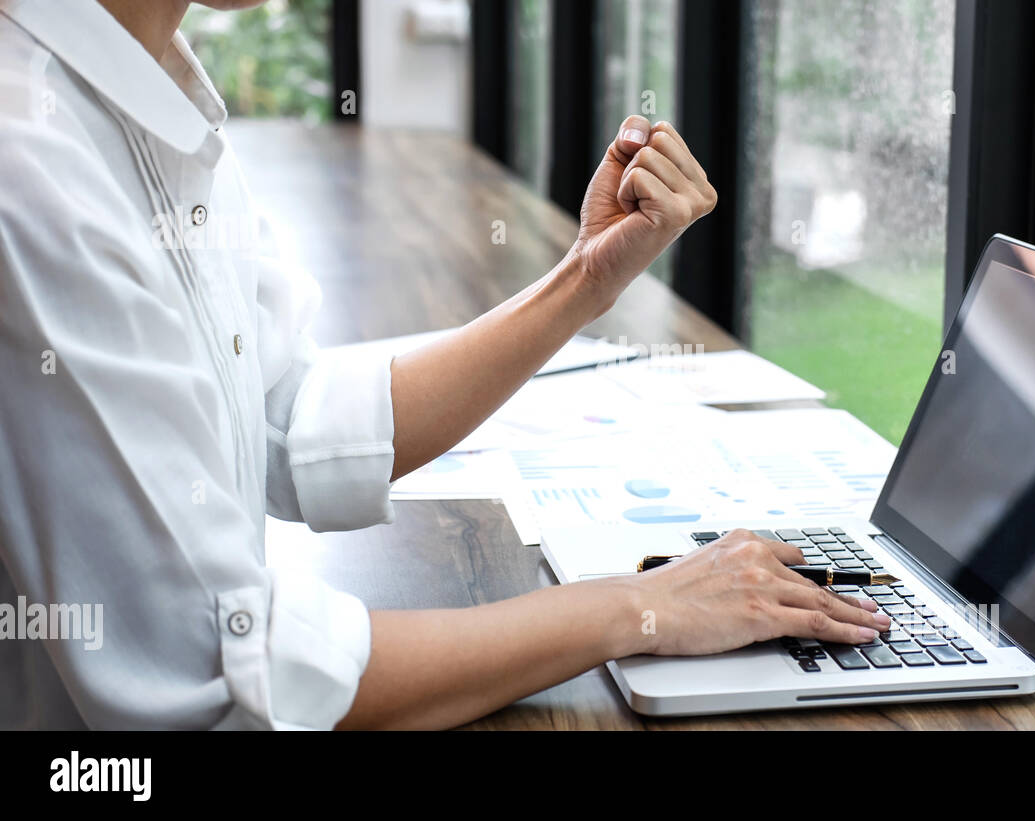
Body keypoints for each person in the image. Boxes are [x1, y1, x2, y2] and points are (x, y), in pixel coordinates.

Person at [0, 0, 890, 730]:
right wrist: (641, 606)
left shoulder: (149, 92)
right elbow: (226, 672)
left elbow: (290, 416)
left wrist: (585, 279)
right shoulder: (34, 168)